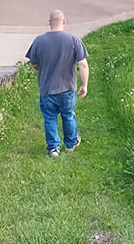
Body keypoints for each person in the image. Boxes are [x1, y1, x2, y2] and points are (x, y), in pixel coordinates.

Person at [25, 9, 89, 157]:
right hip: (67, 88)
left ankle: (53, 148)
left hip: (47, 88)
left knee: (49, 117)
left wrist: (43, 68)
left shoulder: (39, 41)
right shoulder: (74, 40)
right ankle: (70, 143)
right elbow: (83, 64)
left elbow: (34, 63)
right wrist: (84, 85)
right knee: (68, 114)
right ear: (64, 22)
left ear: (49, 23)